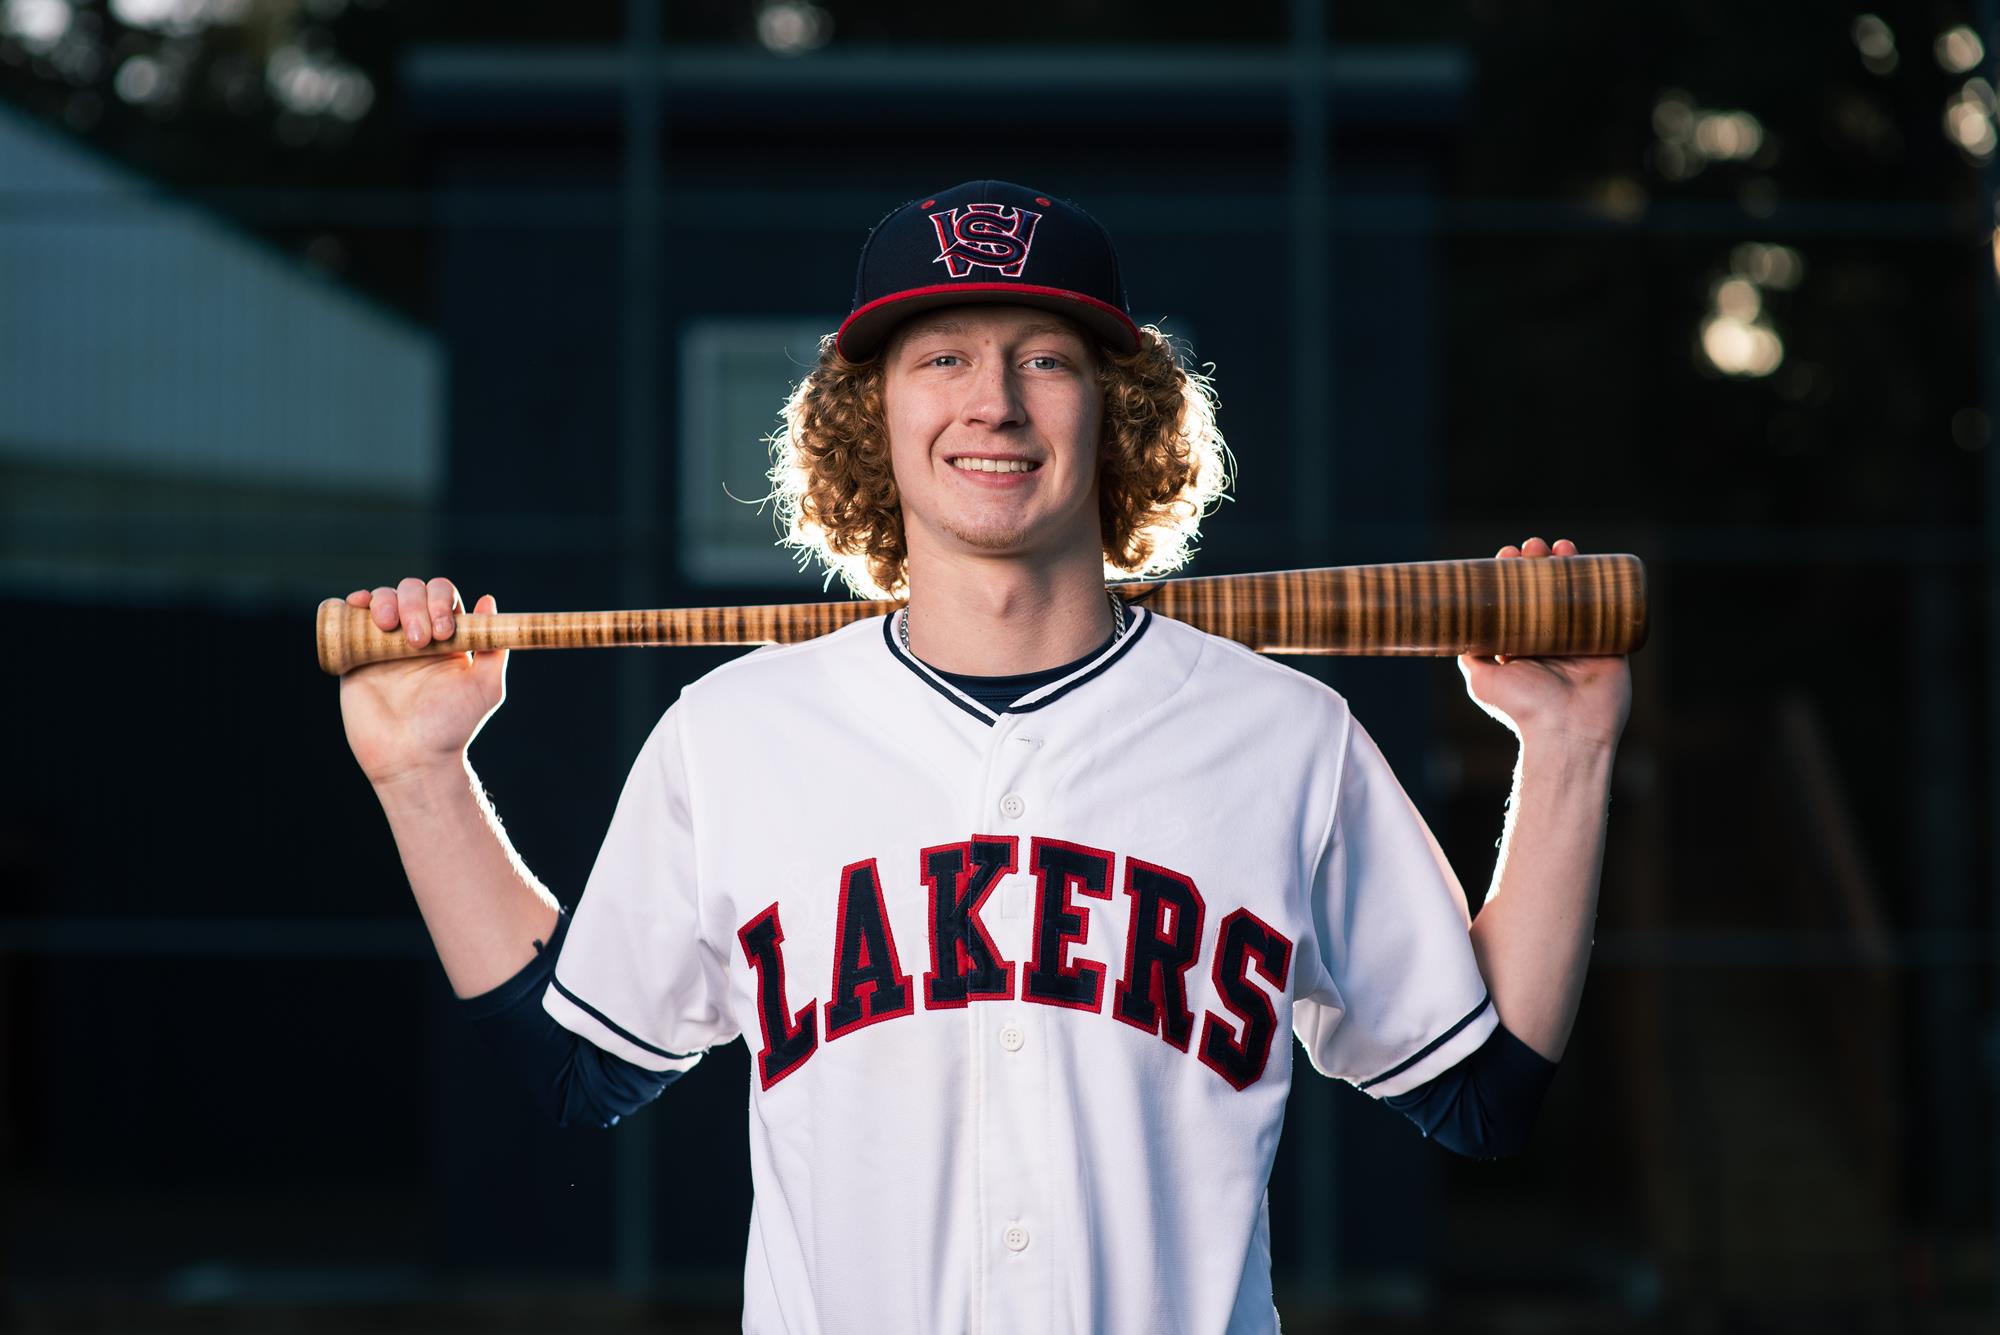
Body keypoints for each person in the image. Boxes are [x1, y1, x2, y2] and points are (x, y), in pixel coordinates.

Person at [337, 180, 1631, 1333]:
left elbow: (1484, 1089)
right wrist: (421, 777)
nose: (993, 404)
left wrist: (1566, 750)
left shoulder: (1283, 735)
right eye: (941, 356)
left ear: (1118, 413)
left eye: (1046, 359)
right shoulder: (734, 736)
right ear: (872, 417)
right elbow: (575, 1064)